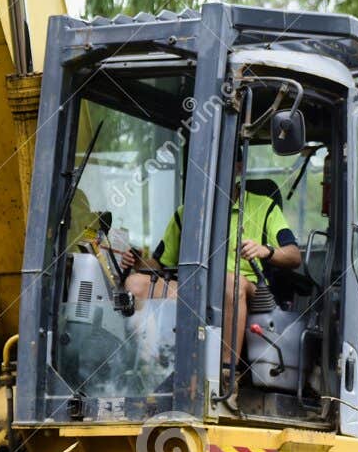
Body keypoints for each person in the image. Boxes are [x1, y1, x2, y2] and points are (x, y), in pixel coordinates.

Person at [118, 156, 302, 385]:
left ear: (238, 167)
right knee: (135, 284)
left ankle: (225, 374)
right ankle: (149, 369)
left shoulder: (265, 206)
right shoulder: (186, 212)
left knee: (227, 283)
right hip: (195, 286)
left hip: (247, 288)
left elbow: (294, 255)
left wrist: (265, 250)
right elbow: (160, 264)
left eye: (222, 163)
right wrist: (138, 262)